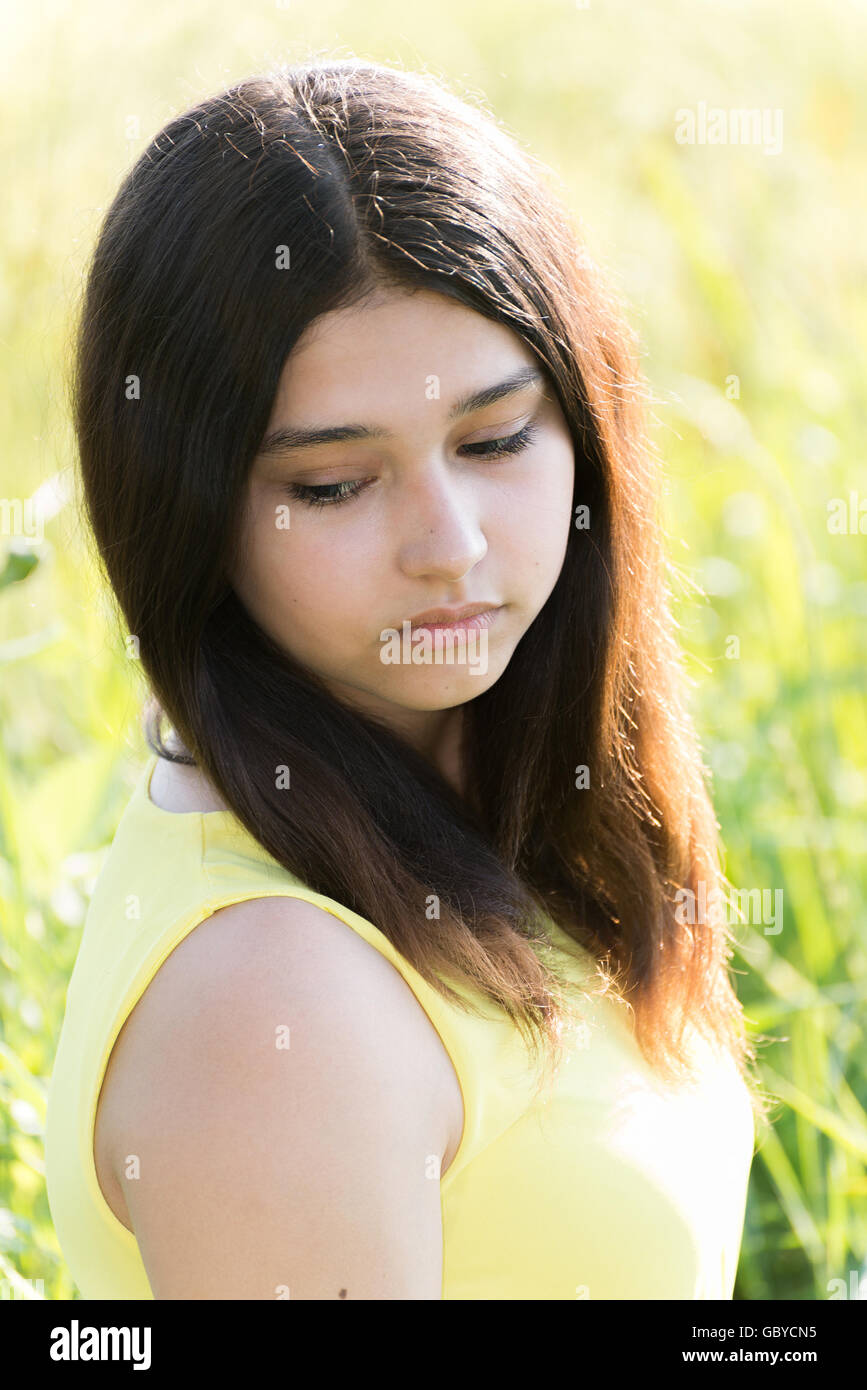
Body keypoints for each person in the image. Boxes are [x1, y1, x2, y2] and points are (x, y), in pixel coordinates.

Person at [44, 57, 767, 1300]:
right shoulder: (274, 1010)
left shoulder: (499, 786)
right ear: (188, 511)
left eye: (493, 440)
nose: (452, 545)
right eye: (331, 484)